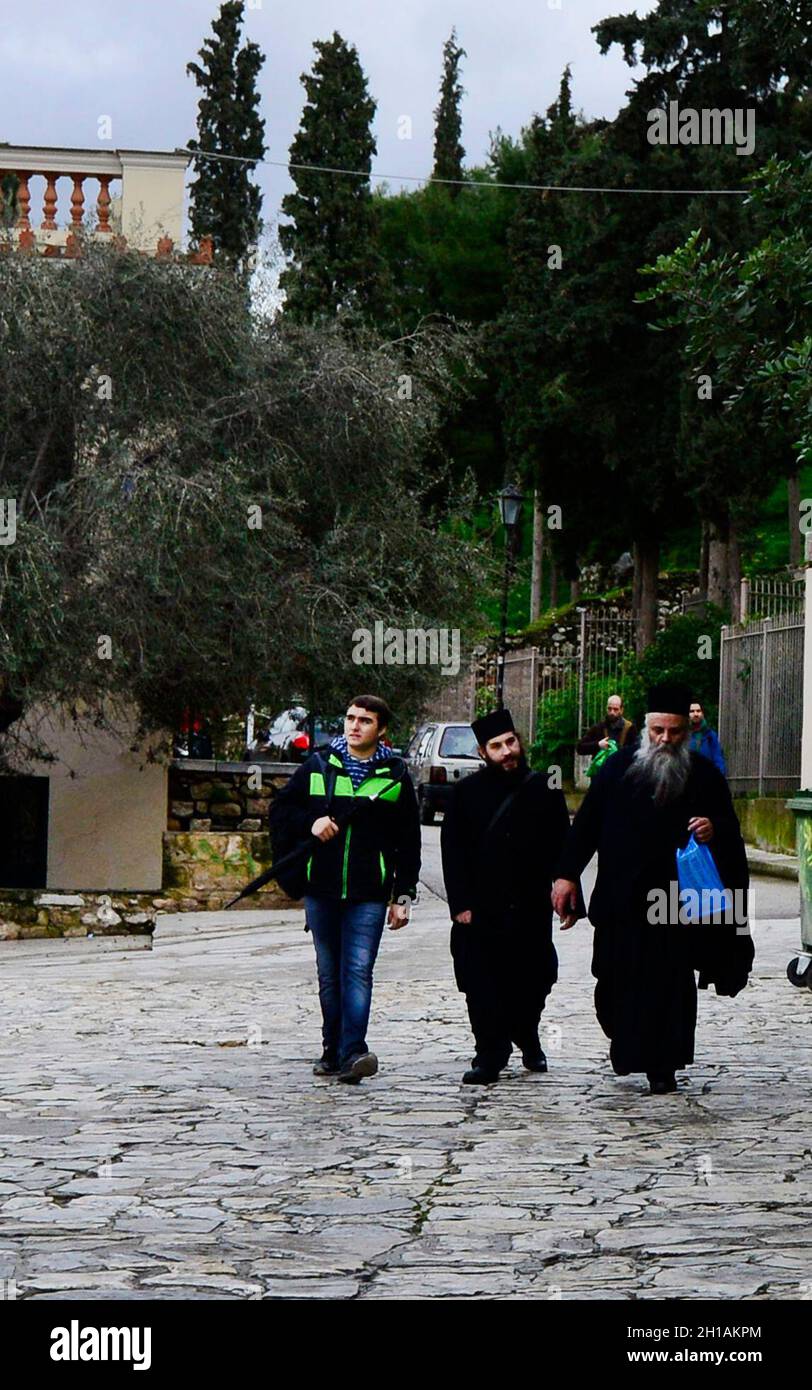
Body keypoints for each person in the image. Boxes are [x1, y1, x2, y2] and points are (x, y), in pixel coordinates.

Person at [552, 683, 753, 1096]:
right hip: (621, 900)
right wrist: (567, 874)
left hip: (675, 904)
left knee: (670, 987)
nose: (665, 740)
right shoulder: (617, 768)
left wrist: (713, 830)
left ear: (687, 732)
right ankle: (628, 1050)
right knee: (612, 983)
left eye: (675, 732)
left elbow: (731, 836)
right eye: (659, 731)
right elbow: (587, 825)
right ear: (646, 728)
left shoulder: (705, 776)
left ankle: (663, 1065)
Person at [269, 694, 421, 1085]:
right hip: (321, 887)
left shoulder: (395, 776)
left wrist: (402, 898)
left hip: (368, 891)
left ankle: (353, 1050)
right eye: (351, 719)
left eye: (365, 721)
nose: (354, 726)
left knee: (357, 970)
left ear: (381, 729)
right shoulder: (318, 765)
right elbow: (282, 810)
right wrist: (312, 822)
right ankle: (330, 1049)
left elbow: (409, 841)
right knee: (328, 972)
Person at [440, 708, 580, 1085]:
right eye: (497, 746)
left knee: (535, 980)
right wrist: (461, 906)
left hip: (530, 906)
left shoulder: (543, 787)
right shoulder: (465, 793)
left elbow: (562, 847)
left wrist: (569, 897)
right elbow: (452, 851)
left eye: (510, 742)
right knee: (482, 983)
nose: (507, 751)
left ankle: (527, 1033)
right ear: (483, 752)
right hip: (482, 908)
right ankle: (490, 1054)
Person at [577, 694, 637, 759]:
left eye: (615, 709)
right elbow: (580, 748)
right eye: (609, 708)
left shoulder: (630, 728)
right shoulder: (598, 727)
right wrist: (598, 745)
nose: (612, 712)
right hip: (601, 768)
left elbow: (635, 753)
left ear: (621, 710)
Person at [688, 700, 727, 775]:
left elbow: (718, 759)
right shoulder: (681, 735)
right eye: (692, 711)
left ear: (702, 714)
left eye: (698, 711)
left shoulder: (710, 736)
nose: (695, 714)